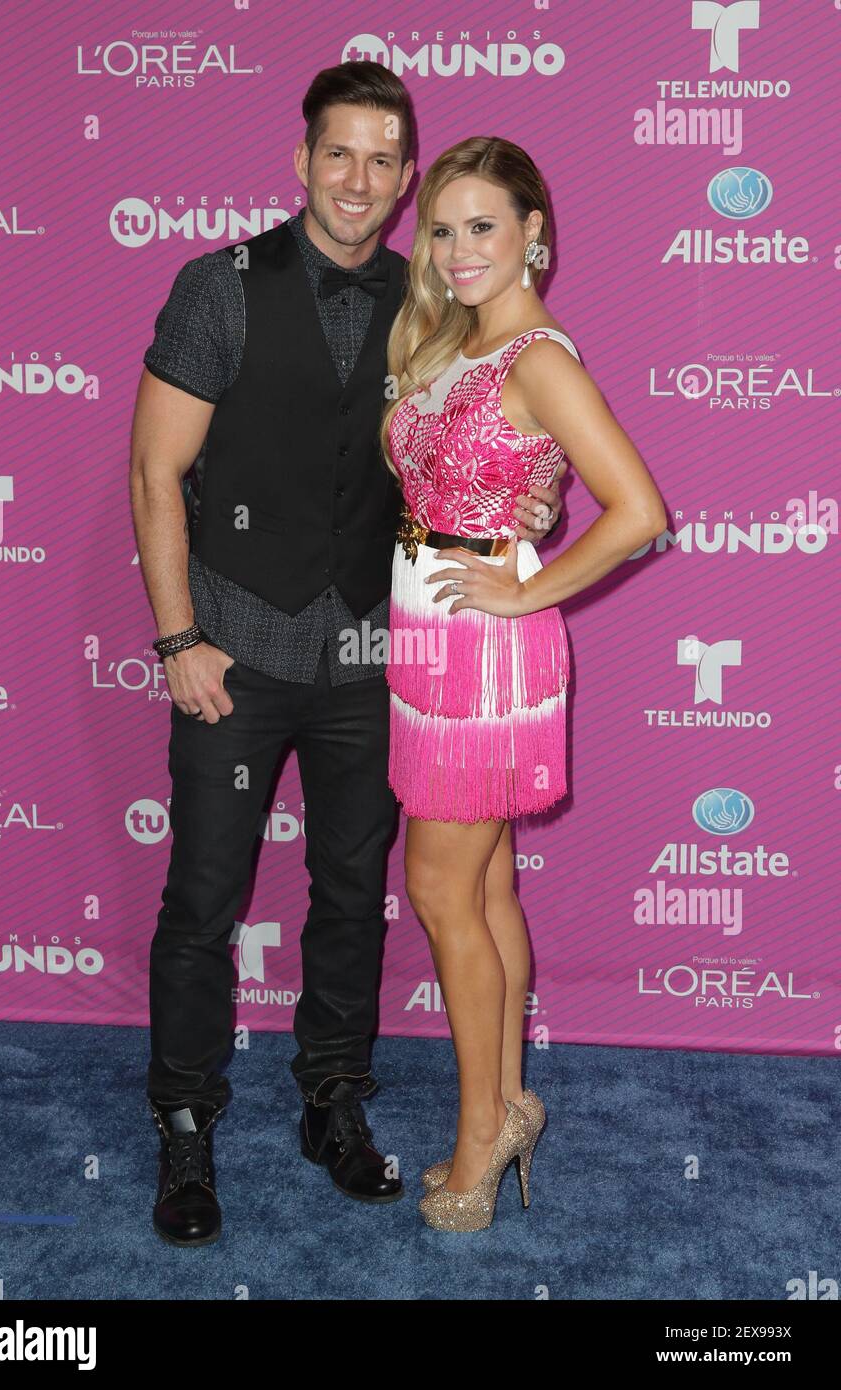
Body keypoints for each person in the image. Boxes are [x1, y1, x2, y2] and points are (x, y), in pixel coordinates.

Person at [129, 63, 565, 1246]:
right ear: (301, 161)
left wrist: (531, 516)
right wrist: (179, 637)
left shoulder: (437, 308)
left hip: (379, 662)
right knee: (202, 902)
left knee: (351, 897)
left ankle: (333, 1100)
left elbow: (490, 450)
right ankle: (184, 1120)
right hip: (232, 647)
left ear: (407, 177)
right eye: (339, 153)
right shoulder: (217, 287)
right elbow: (154, 472)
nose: (359, 180)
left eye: (384, 159)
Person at [379, 138, 668, 1232]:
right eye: (442, 228)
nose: (457, 249)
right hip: (422, 629)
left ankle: (476, 1141)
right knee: (484, 886)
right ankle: (502, 1103)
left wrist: (518, 592)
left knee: (445, 893)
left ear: (532, 232)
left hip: (480, 649)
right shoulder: (454, 337)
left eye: (482, 226)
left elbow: (638, 510)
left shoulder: (535, 356)